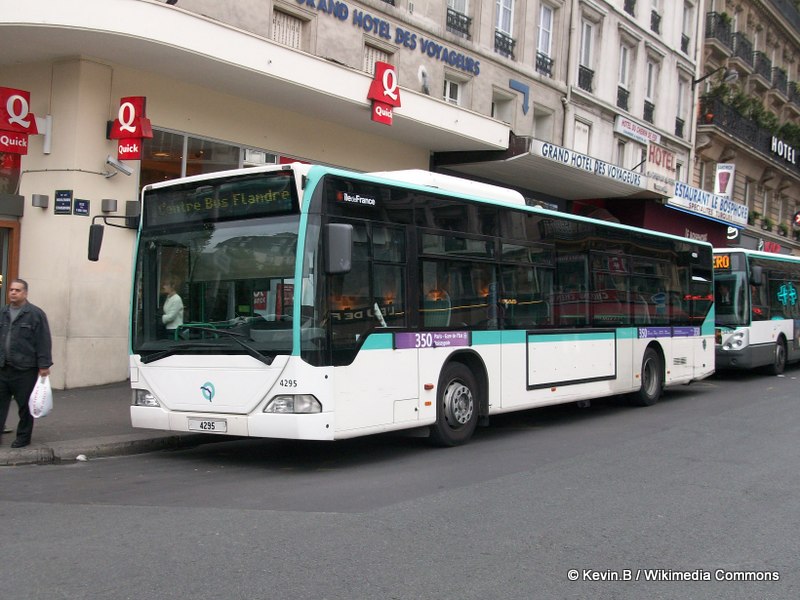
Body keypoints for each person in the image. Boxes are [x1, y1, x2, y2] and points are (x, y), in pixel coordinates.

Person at [0, 279, 53, 448]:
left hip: (25, 369)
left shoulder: (35, 314)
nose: (13, 292)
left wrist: (44, 365)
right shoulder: (3, 312)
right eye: (11, 290)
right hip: (3, 367)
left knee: (25, 406)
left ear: (25, 293)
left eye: (17, 290)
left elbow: (43, 340)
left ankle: (23, 437)